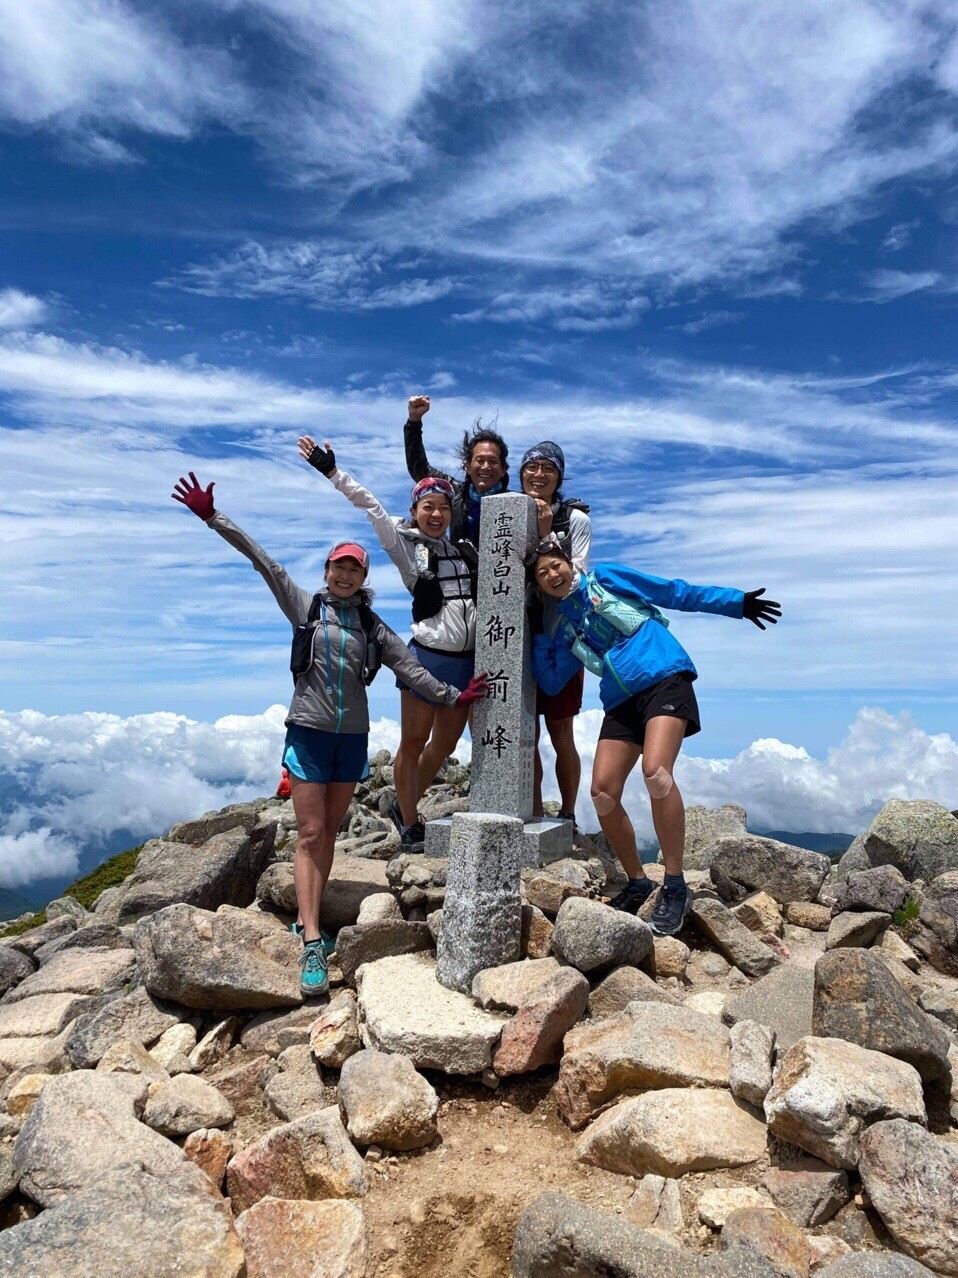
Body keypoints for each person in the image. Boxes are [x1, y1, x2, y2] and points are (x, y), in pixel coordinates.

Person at [171, 472, 488, 996]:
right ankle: (313, 939)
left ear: (363, 577)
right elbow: (264, 562)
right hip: (310, 734)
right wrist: (212, 517)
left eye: (354, 569)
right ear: (327, 571)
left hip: (352, 740)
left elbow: (411, 669)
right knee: (312, 834)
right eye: (339, 567)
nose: (345, 575)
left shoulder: (371, 624)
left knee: (329, 837)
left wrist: (456, 696)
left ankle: (307, 912)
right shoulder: (306, 607)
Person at [529, 539, 781, 937]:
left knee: (657, 773)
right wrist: (539, 637)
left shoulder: (607, 577)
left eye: (555, 565)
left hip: (664, 676)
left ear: (568, 562)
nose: (552, 575)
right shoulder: (564, 626)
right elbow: (551, 678)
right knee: (602, 793)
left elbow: (671, 591)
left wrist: (736, 603)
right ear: (540, 588)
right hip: (620, 699)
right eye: (542, 575)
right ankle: (637, 881)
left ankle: (675, 885)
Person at [298, 436, 477, 847]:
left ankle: (404, 800)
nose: (436, 513)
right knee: (413, 741)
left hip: (467, 660)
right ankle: (410, 820)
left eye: (443, 506)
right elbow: (373, 508)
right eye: (427, 506)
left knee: (446, 743)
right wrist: (332, 472)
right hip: (428, 657)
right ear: (414, 511)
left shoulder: (465, 551)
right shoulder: (406, 547)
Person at [518, 441, 591, 825]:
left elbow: (575, 576)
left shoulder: (575, 519)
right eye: (532, 467)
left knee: (561, 730)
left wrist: (547, 534)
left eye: (548, 468)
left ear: (559, 476)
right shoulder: (509, 512)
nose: (539, 474)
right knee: (523, 731)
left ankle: (567, 814)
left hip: (561, 640)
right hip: (517, 638)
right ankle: (529, 809)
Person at [403, 394, 509, 544]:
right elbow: (419, 468)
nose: (486, 467)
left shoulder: (517, 502)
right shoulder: (455, 492)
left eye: (493, 461)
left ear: (504, 469)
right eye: (479, 460)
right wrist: (414, 421)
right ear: (467, 466)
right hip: (458, 567)